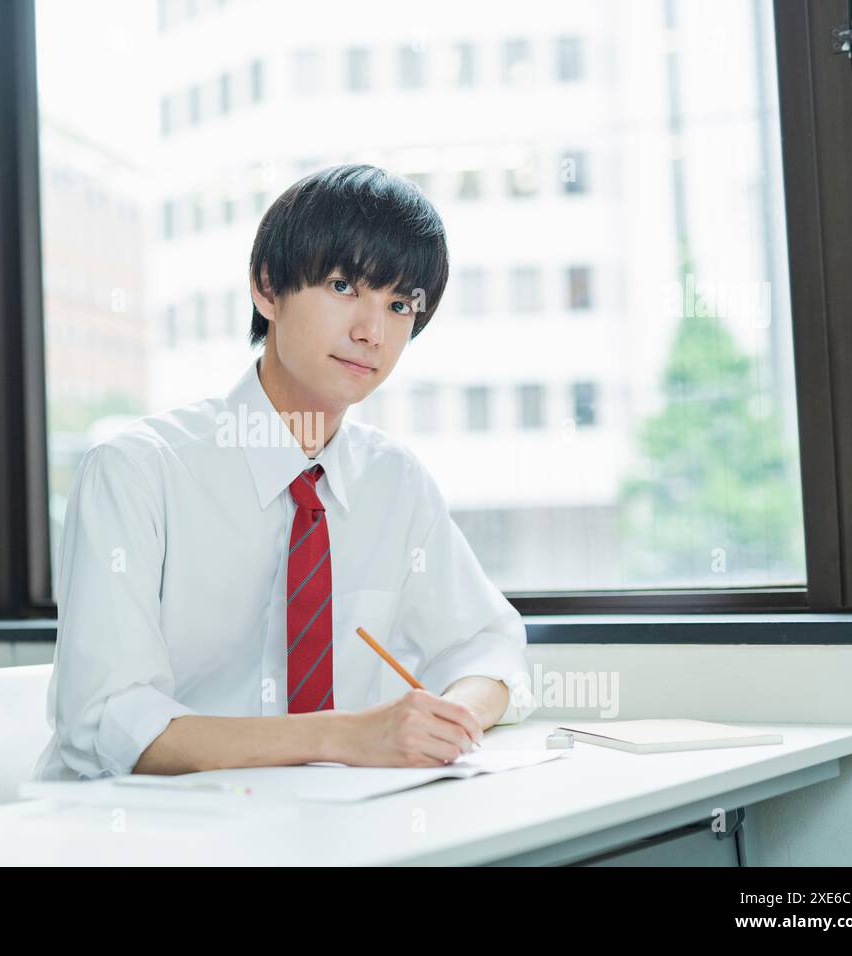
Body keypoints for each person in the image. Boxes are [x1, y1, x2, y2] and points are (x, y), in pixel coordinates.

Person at [34, 163, 535, 781]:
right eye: (344, 287)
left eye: (400, 304)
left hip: (324, 828)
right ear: (267, 288)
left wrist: (450, 719)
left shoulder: (395, 482)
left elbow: (490, 646)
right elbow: (106, 724)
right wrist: (343, 736)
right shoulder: (136, 473)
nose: (371, 331)